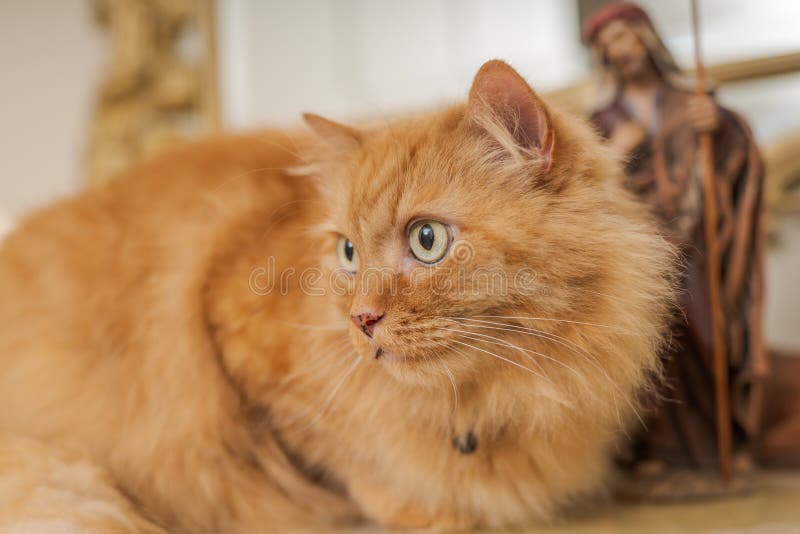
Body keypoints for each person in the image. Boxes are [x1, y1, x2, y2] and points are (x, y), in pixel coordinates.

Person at [582, 3, 768, 489]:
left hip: (697, 249)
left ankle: (723, 442)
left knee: (709, 336)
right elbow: (579, 186)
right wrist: (616, 150)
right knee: (653, 353)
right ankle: (659, 451)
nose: (622, 51)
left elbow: (737, 158)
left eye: (626, 37)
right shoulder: (602, 119)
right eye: (609, 46)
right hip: (641, 256)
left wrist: (721, 126)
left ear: (647, 38)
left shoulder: (691, 102)